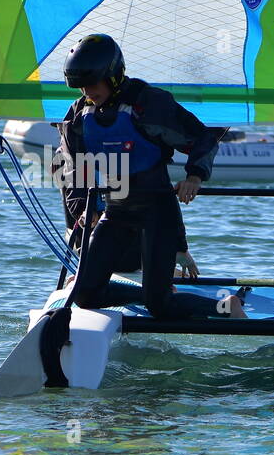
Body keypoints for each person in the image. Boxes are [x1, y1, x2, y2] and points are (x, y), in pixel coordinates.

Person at [58, 33, 244, 320]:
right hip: (116, 211)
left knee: (161, 306)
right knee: (85, 295)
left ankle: (225, 307)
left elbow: (202, 139)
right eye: (81, 85)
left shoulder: (148, 104)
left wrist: (194, 177)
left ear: (113, 76)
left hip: (158, 212)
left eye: (92, 84)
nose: (87, 91)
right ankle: (144, 292)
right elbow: (74, 166)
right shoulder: (80, 114)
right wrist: (84, 206)